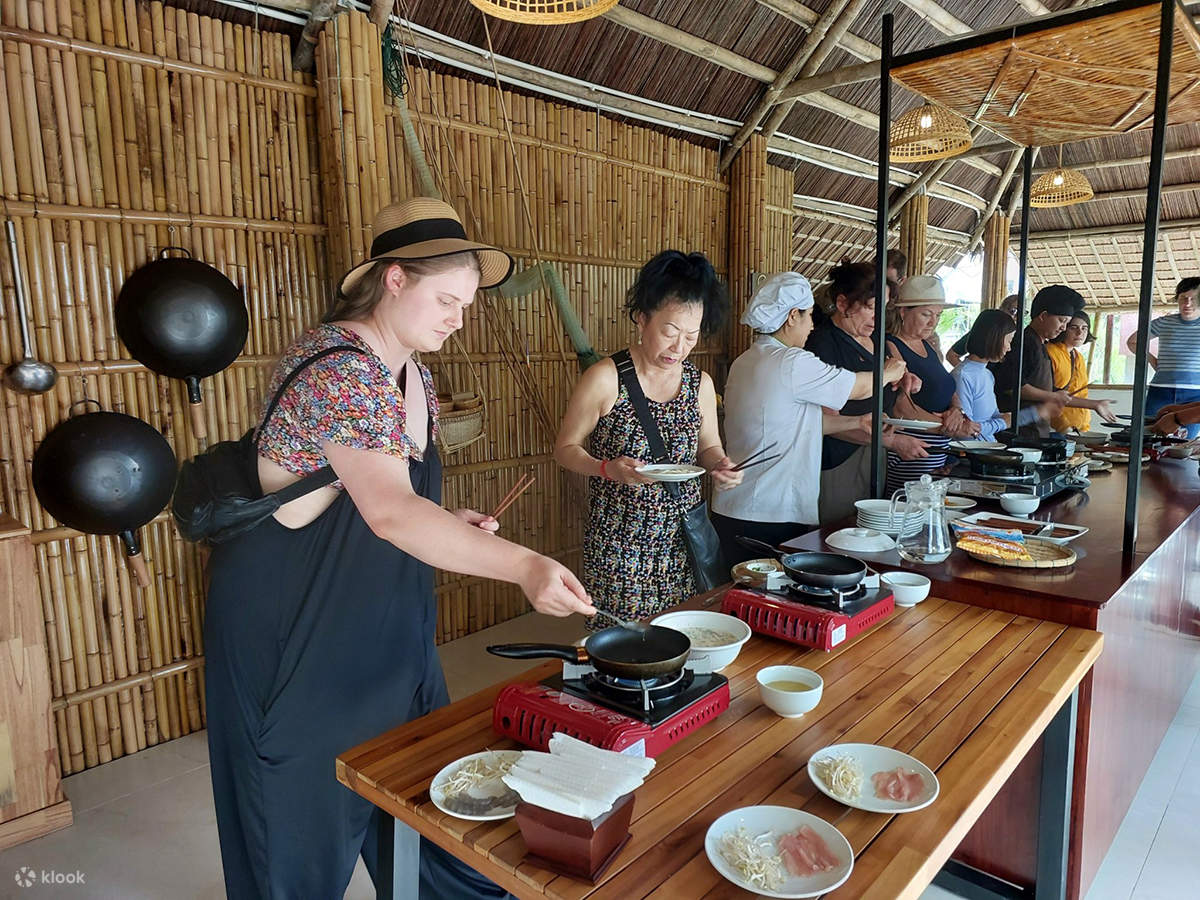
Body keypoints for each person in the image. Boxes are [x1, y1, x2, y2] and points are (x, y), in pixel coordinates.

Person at [204, 198, 596, 900]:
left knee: (423, 815)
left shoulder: (413, 374)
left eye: (466, 305)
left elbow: (385, 494)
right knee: (296, 843)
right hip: (299, 648)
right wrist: (524, 564)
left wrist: (447, 519)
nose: (457, 319)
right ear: (393, 280)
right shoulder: (340, 370)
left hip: (387, 634)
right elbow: (388, 512)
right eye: (446, 300)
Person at [554, 250, 741, 626]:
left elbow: (708, 446)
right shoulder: (605, 378)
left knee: (684, 634)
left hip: (682, 543)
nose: (679, 347)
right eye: (670, 332)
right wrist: (606, 469)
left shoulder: (699, 384)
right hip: (620, 547)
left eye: (691, 336)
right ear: (641, 317)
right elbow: (565, 449)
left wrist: (721, 464)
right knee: (626, 643)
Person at [712, 272, 906, 564]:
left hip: (734, 506)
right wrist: (888, 372)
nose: (812, 326)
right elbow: (856, 387)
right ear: (793, 316)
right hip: (772, 512)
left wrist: (855, 422)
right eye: (809, 316)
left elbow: (790, 423)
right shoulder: (792, 361)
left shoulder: (746, 360)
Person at [807, 260, 929, 524]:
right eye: (871, 308)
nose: (878, 318)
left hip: (874, 454)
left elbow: (884, 382)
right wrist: (891, 442)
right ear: (842, 303)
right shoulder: (823, 344)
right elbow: (828, 419)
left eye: (882, 308)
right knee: (840, 532)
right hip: (840, 461)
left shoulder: (874, 340)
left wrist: (904, 380)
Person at [990, 284, 1115, 432]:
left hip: (1035, 430)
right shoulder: (1025, 343)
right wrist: (1052, 396)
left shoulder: (1040, 344)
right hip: (1017, 430)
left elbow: (1051, 391)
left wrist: (1094, 404)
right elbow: (1011, 386)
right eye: (1062, 321)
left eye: (1067, 323)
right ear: (1043, 316)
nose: (1063, 328)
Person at [952, 309, 1062, 441]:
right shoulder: (963, 376)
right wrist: (1003, 422)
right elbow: (965, 430)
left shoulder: (987, 375)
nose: (1009, 348)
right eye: (1009, 341)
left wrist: (1036, 413)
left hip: (990, 446)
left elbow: (998, 418)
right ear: (995, 339)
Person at [1127, 276, 1200, 439]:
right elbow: (1133, 342)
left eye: (1194, 299)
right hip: (1160, 390)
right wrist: (1155, 363)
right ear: (1177, 299)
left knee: (1184, 443)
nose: (1187, 303)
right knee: (1146, 437)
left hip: (1196, 394)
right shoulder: (1164, 322)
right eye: (1183, 298)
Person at [1046, 310, 1109, 433]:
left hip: (1079, 428)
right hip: (1056, 429)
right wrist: (1064, 426)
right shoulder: (1050, 352)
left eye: (1084, 328)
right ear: (1064, 328)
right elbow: (1049, 394)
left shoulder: (1078, 356)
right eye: (1073, 328)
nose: (1080, 333)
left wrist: (1083, 427)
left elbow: (1082, 394)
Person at [946, 293, 1019, 367]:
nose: (1016, 317)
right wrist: (971, 372)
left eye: (1021, 314)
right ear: (1002, 309)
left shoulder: (1019, 336)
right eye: (1013, 311)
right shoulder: (984, 332)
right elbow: (951, 355)